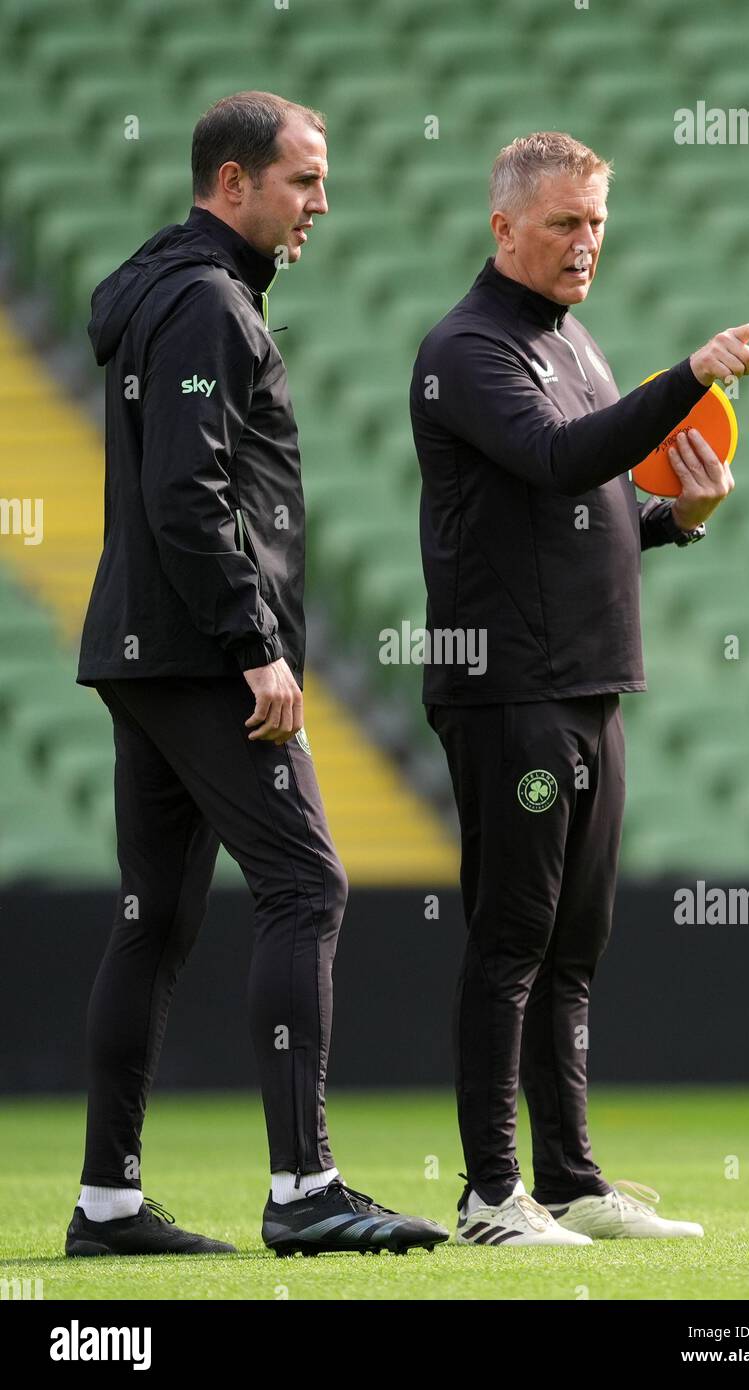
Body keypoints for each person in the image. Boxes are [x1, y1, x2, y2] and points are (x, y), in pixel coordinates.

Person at [67, 90, 447, 1260]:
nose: (319, 203)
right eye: (302, 180)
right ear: (230, 184)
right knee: (306, 885)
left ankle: (109, 1206)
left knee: (155, 916)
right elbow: (190, 498)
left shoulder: (161, 289)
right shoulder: (210, 307)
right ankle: (304, 1187)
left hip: (143, 645)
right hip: (198, 653)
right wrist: (256, 646)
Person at [409, 131, 749, 1247]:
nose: (584, 244)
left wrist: (678, 519)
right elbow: (560, 461)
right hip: (507, 684)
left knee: (574, 942)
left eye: (597, 223)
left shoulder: (573, 344)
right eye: (564, 223)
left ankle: (568, 1180)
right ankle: (488, 1194)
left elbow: (593, 509)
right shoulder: (467, 349)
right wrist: (687, 377)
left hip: (588, 683)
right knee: (511, 936)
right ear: (504, 227)